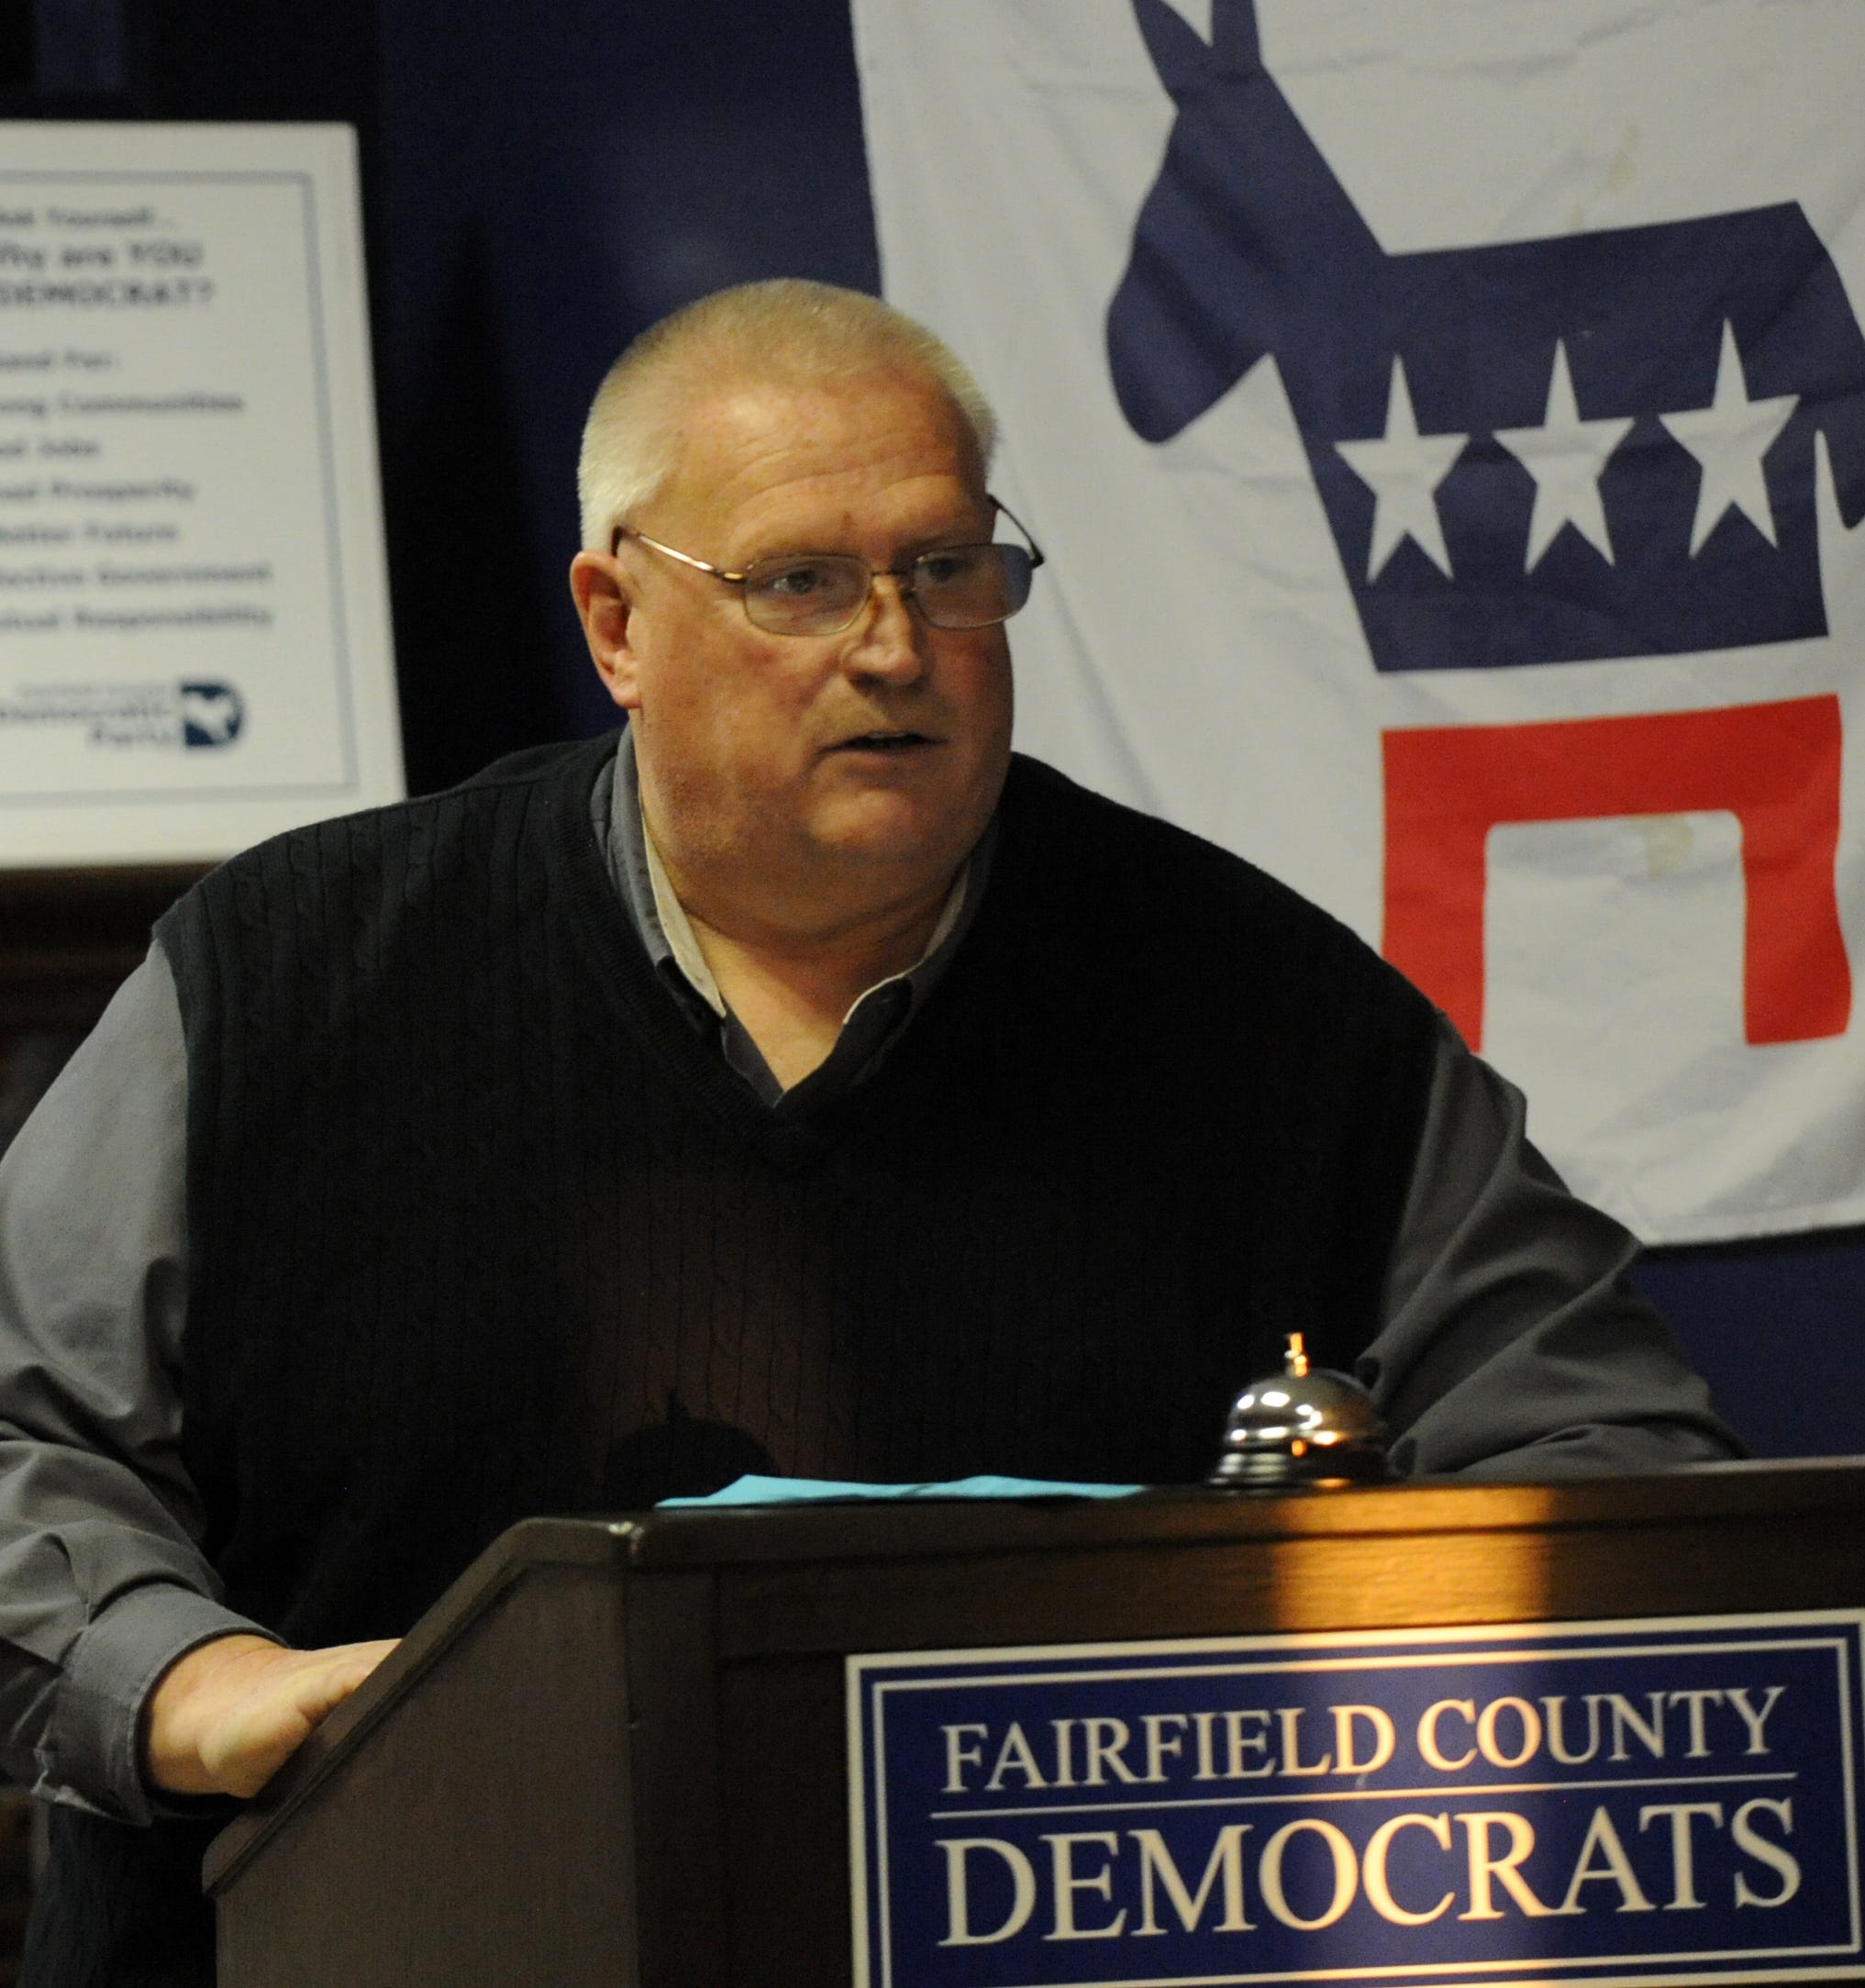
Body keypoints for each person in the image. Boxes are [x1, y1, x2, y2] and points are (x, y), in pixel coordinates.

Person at [0, 279, 1735, 1982]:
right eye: (800, 584)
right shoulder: (292, 973)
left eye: (947, 570)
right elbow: (21, 1417)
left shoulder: (1263, 1000)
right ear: (617, 626)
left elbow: (1615, 1471)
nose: (894, 647)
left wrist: (1321, 1699)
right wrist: (177, 1686)